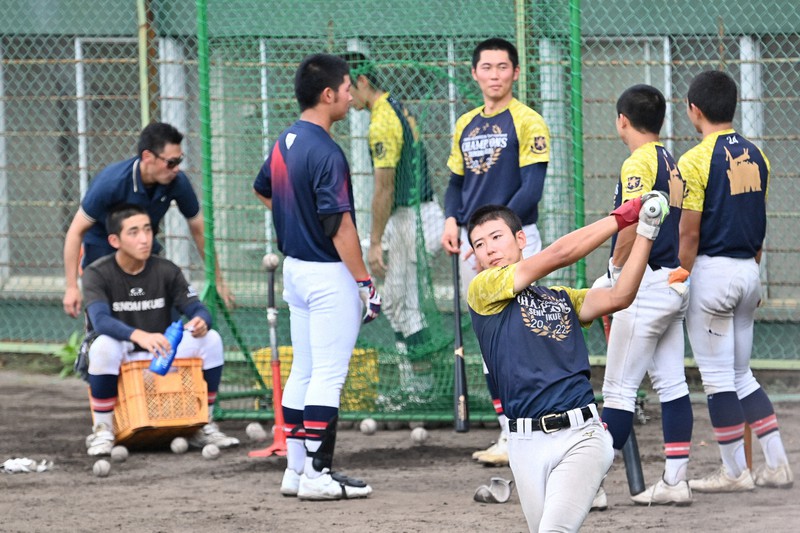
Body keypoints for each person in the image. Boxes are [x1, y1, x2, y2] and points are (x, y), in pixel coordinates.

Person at [466, 192, 670, 531]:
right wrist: (620, 219)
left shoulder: (562, 298)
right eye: (479, 244)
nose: (489, 249)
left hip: (582, 435)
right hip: (524, 443)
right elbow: (559, 254)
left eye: (496, 237)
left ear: (521, 239)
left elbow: (620, 296)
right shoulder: (483, 290)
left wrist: (645, 232)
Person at [253, 53, 381, 501]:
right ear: (328, 95)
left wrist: (295, 218)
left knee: (303, 371)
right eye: (346, 88)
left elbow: (263, 188)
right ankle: (317, 475)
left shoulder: (285, 139)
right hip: (328, 275)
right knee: (328, 375)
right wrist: (365, 283)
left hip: (296, 272)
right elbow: (340, 226)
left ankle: (296, 471)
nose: (350, 94)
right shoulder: (327, 150)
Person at [678, 70, 794, 491]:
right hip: (749, 272)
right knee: (743, 374)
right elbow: (756, 221)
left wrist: (680, 276)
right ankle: (777, 464)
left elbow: (689, 233)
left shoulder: (692, 160)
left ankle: (733, 472)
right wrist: (753, 272)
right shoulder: (759, 156)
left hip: (712, 273)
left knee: (717, 379)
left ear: (694, 110)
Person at [441, 37, 550, 466]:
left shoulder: (528, 121)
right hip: (476, 250)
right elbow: (455, 185)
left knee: (529, 335)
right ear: (474, 73)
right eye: (486, 67)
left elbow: (532, 189)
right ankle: (510, 436)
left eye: (503, 67)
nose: (495, 75)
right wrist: (453, 220)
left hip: (515, 242)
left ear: (516, 73)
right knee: (491, 341)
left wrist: (493, 234)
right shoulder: (465, 123)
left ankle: (541, 427)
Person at [594, 84, 695, 506]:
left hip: (646, 284)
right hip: (673, 282)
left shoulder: (638, 160)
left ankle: (587, 486)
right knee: (672, 385)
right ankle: (675, 480)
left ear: (622, 119)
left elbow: (633, 223)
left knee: (618, 391)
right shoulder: (671, 160)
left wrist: (616, 273)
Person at [82, 204, 238, 456]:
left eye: (147, 230)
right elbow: (100, 320)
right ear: (114, 240)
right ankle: (103, 430)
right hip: (126, 352)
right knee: (102, 345)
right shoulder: (96, 273)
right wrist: (139, 335)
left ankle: (203, 423)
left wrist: (200, 320)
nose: (144, 238)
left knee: (211, 339)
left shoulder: (166, 269)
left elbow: (198, 308)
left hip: (162, 353)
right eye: (133, 232)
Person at [62, 122, 233, 319]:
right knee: (108, 321)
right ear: (147, 157)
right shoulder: (111, 183)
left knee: (163, 316)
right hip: (103, 249)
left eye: (179, 161)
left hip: (144, 248)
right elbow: (75, 231)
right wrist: (72, 286)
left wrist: (218, 279)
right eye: (171, 162)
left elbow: (198, 228)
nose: (176, 168)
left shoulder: (177, 182)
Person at [345, 52, 445, 356]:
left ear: (362, 81)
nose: (346, 99)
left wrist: (375, 243)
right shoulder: (392, 105)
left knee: (401, 304)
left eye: (347, 88)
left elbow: (384, 190)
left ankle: (420, 386)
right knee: (398, 304)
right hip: (415, 214)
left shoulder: (382, 123)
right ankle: (415, 384)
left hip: (411, 217)